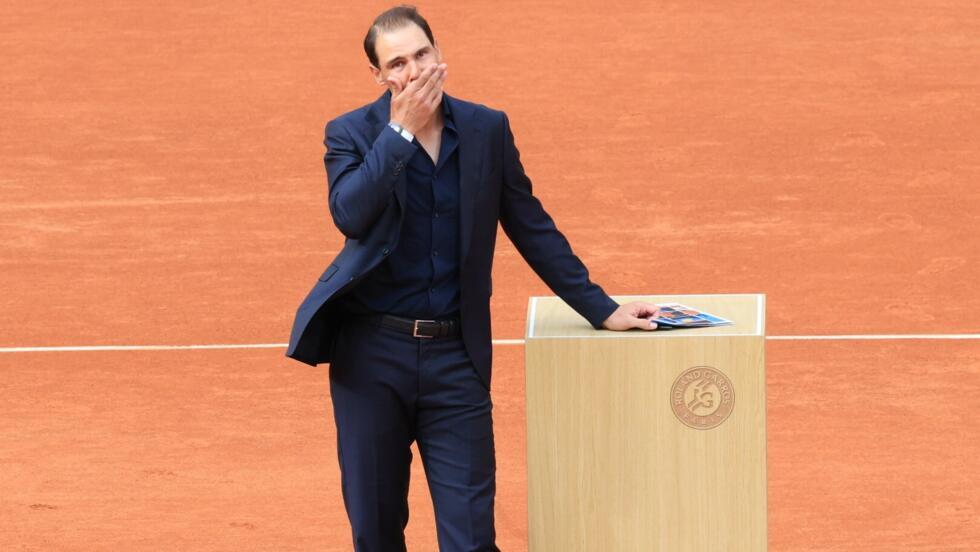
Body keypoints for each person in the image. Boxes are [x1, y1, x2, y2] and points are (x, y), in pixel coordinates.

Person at [285, 5, 662, 550]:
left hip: (455, 359)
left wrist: (601, 307)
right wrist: (401, 133)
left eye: (421, 54)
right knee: (375, 529)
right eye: (398, 63)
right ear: (379, 76)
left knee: (471, 536)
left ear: (439, 55)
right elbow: (349, 213)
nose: (413, 71)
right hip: (370, 358)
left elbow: (530, 225)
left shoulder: (487, 129)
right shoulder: (351, 133)